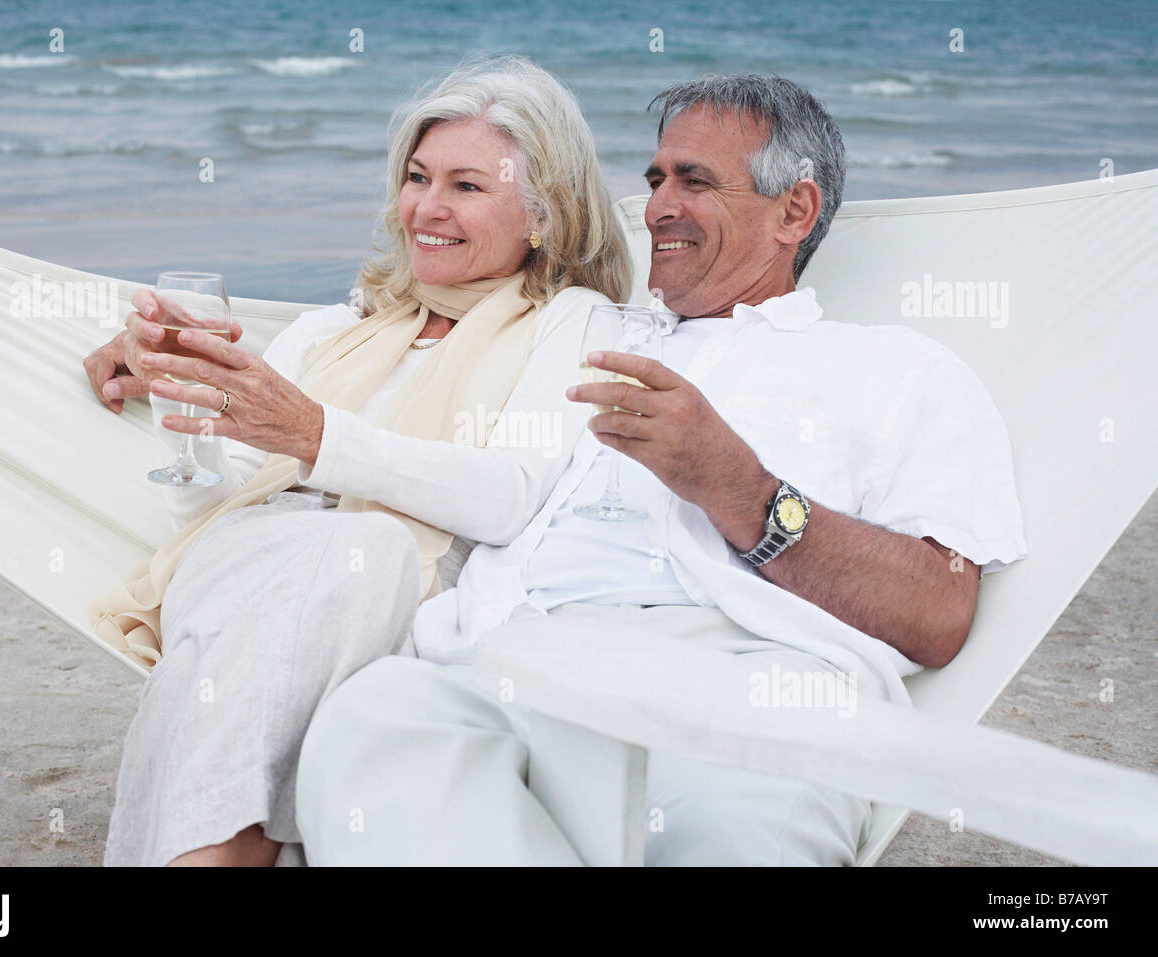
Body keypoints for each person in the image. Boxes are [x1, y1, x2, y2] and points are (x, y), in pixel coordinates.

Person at [292, 73, 1030, 865]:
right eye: (655, 179)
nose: (656, 207)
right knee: (369, 722)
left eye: (695, 181)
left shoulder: (894, 370)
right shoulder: (575, 327)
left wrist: (741, 489)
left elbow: (940, 609)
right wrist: (161, 370)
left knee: (739, 832)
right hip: (503, 663)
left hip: (747, 685)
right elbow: (393, 336)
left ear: (795, 212)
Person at [80, 55, 631, 866]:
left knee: (355, 553)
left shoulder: (573, 323)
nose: (426, 209)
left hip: (391, 585)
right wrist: (178, 392)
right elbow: (221, 499)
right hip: (246, 564)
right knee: (314, 568)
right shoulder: (333, 330)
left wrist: (313, 434)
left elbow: (508, 493)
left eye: (467, 186)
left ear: (544, 214)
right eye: (416, 177)